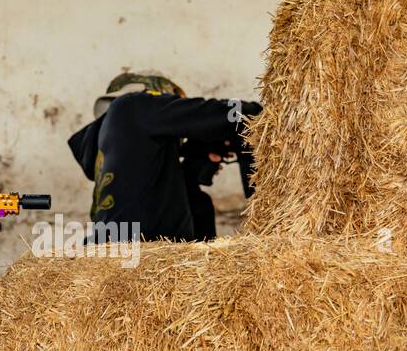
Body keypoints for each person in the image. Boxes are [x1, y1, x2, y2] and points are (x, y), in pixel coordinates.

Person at [66, 71, 261, 242]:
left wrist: (197, 164)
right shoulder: (134, 105)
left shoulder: (113, 142)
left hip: (121, 251)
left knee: (199, 204)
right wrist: (256, 112)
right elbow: (206, 114)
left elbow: (156, 193)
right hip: (145, 251)